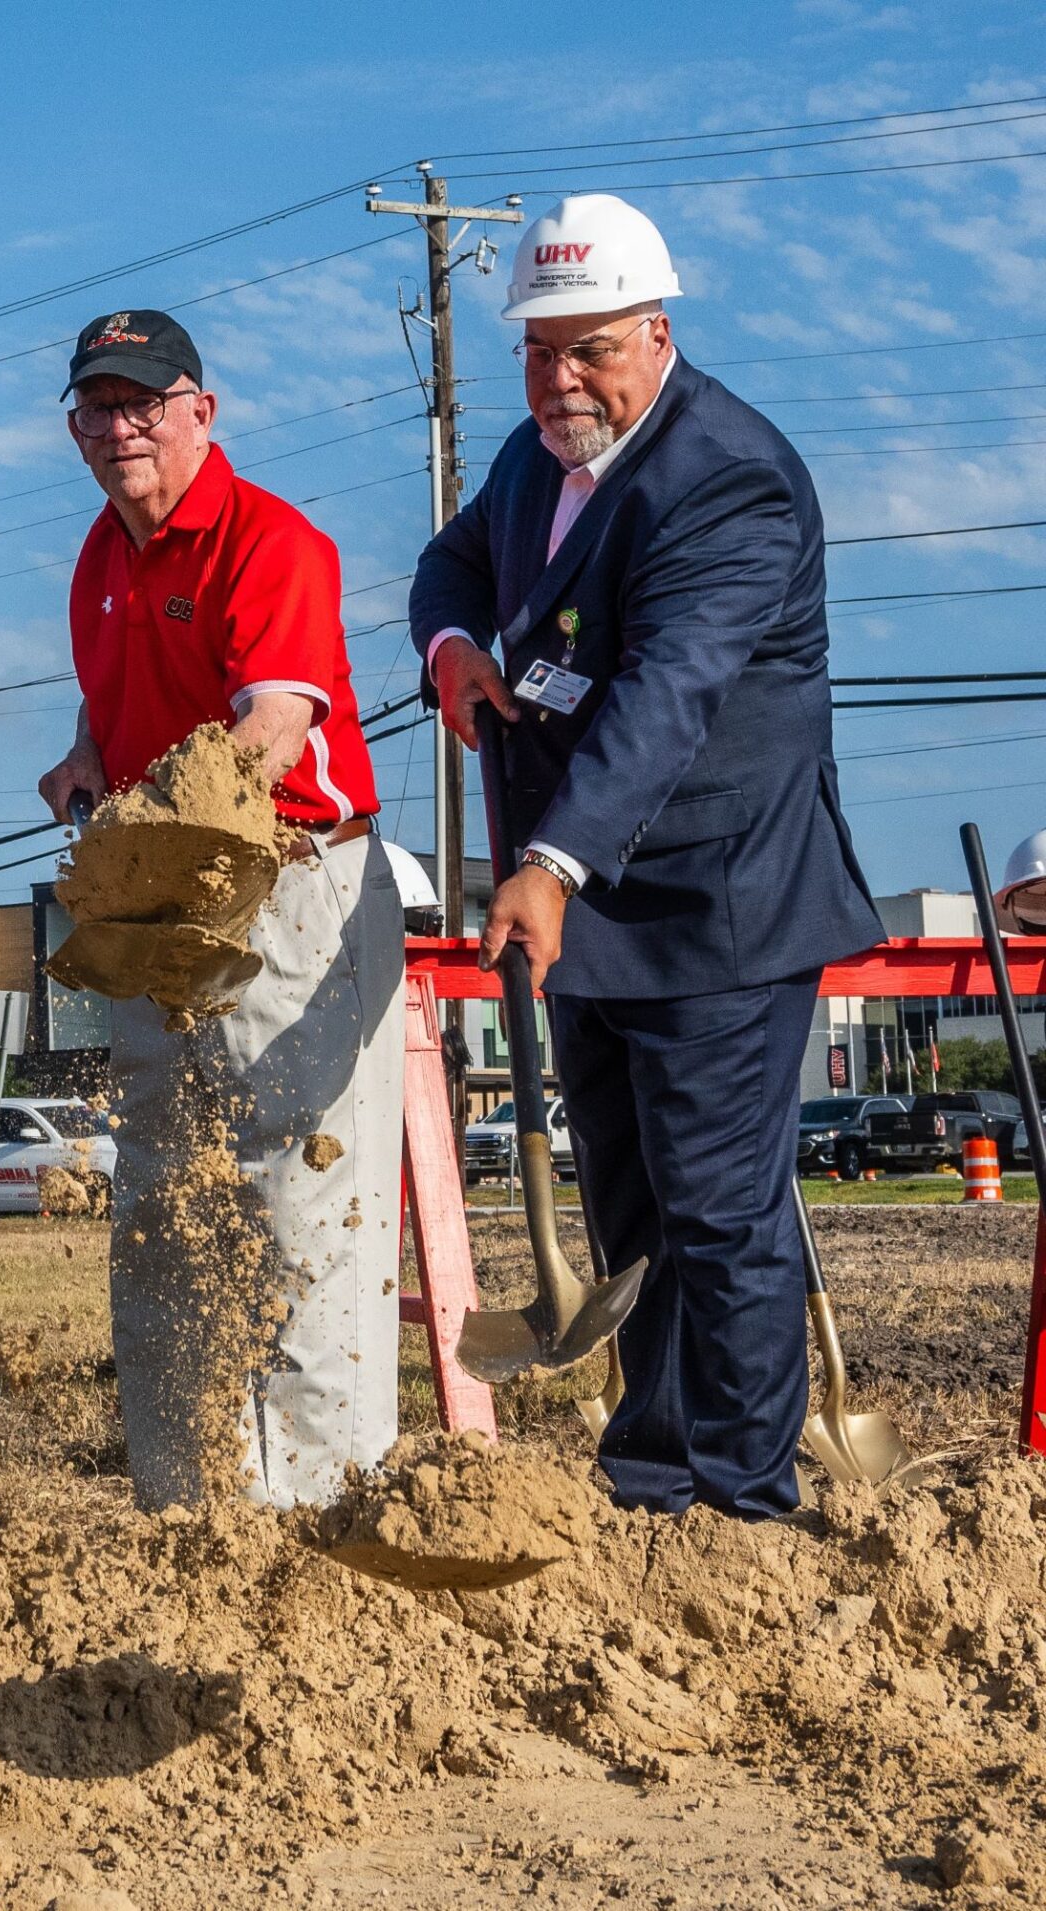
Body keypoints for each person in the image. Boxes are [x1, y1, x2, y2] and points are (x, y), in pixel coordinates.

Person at [410, 194, 882, 1519]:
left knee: (723, 1213)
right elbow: (450, 564)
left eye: (593, 347)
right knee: (629, 1206)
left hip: (719, 900)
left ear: (657, 331)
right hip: (595, 899)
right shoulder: (525, 461)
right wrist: (451, 648)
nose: (562, 377)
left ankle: (740, 1496)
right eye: (540, 348)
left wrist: (552, 862)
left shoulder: (724, 475)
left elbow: (671, 688)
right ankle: (653, 1475)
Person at [37, 308, 404, 1510]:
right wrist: (84, 762)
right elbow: (125, 710)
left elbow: (271, 731)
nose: (118, 427)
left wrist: (141, 826)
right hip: (157, 915)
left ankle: (321, 1512)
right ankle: (188, 1510)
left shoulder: (271, 540)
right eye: (96, 407)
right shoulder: (100, 559)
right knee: (162, 1211)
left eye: (143, 402)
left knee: (300, 1201)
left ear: (203, 409)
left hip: (290, 893)